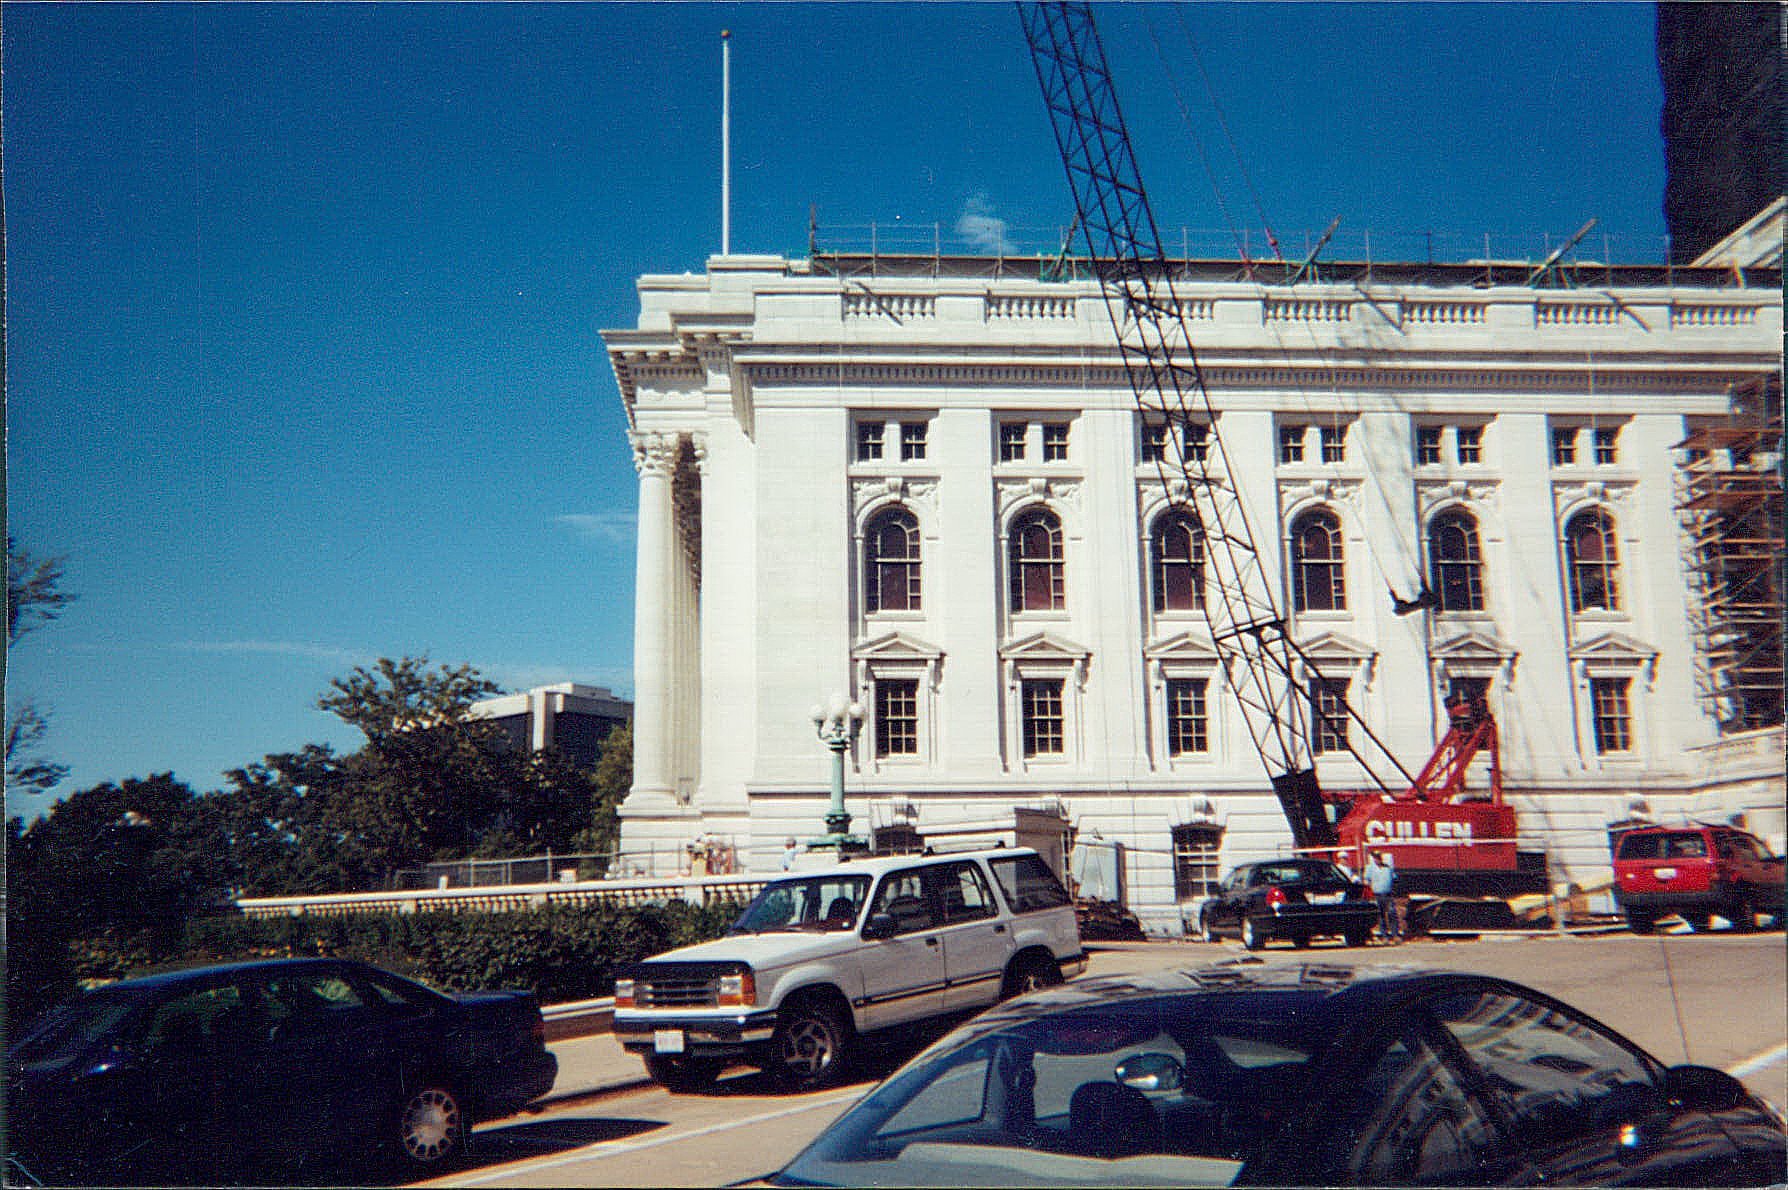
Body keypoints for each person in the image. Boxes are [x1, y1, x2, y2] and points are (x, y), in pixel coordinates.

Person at [1364, 851, 1400, 942]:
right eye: (1375, 858)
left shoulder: (1388, 868)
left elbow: (1394, 879)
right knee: (1381, 916)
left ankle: (1395, 935)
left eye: (1378, 858)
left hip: (1388, 894)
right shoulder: (1370, 868)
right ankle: (1384, 936)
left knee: (1392, 914)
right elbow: (1366, 881)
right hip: (1376, 895)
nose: (1377, 859)